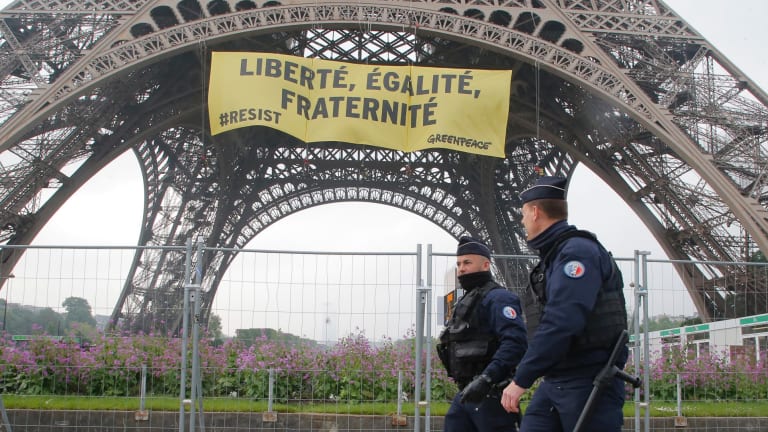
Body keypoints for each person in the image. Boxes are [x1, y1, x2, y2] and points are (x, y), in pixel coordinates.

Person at [501, 176, 628, 432]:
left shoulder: (576, 252)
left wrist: (522, 378)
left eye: (523, 214)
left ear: (535, 212)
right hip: (558, 379)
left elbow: (562, 320)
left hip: (589, 381)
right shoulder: (556, 254)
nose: (522, 221)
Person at [437, 236, 527, 432]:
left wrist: (487, 378)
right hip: (467, 392)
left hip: (491, 393)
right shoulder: (466, 301)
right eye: (459, 264)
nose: (461, 269)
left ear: (486, 265)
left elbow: (515, 343)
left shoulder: (499, 298)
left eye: (467, 263)